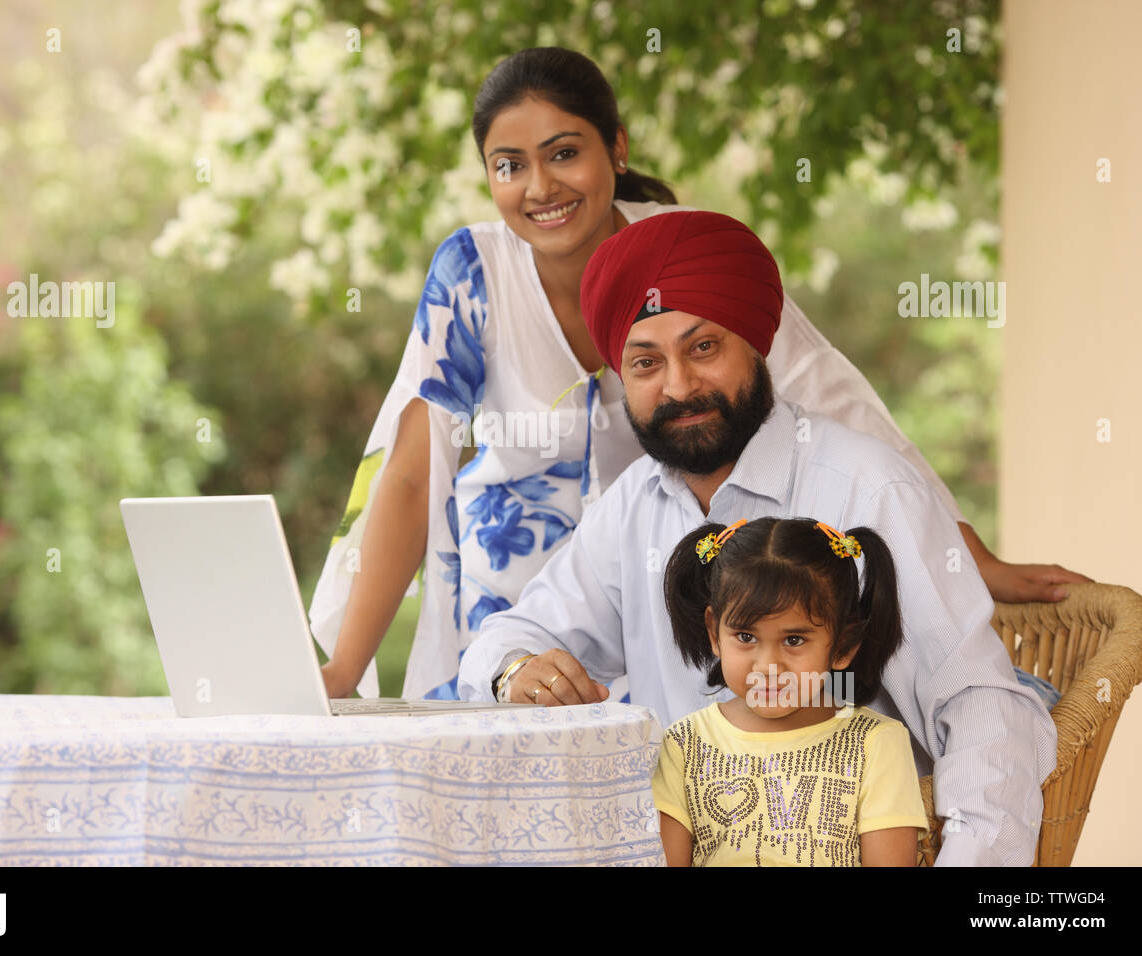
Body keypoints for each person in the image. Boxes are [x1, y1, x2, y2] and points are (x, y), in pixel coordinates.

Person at [309, 46, 1088, 702]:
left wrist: (966, 554)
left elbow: (837, 401)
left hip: (655, 604)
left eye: (564, 152)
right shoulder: (472, 273)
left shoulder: (680, 256)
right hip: (506, 620)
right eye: (508, 165)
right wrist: (344, 674)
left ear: (616, 147)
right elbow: (412, 477)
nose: (540, 187)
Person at [458, 209, 1057, 866]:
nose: (679, 385)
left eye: (703, 348)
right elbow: (505, 638)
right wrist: (518, 673)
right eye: (646, 362)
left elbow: (981, 703)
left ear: (756, 341)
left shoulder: (868, 487)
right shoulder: (634, 502)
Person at [653, 516, 929, 867]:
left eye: (794, 640)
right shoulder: (682, 746)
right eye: (746, 637)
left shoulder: (877, 744)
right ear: (714, 632)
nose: (768, 665)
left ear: (843, 645)